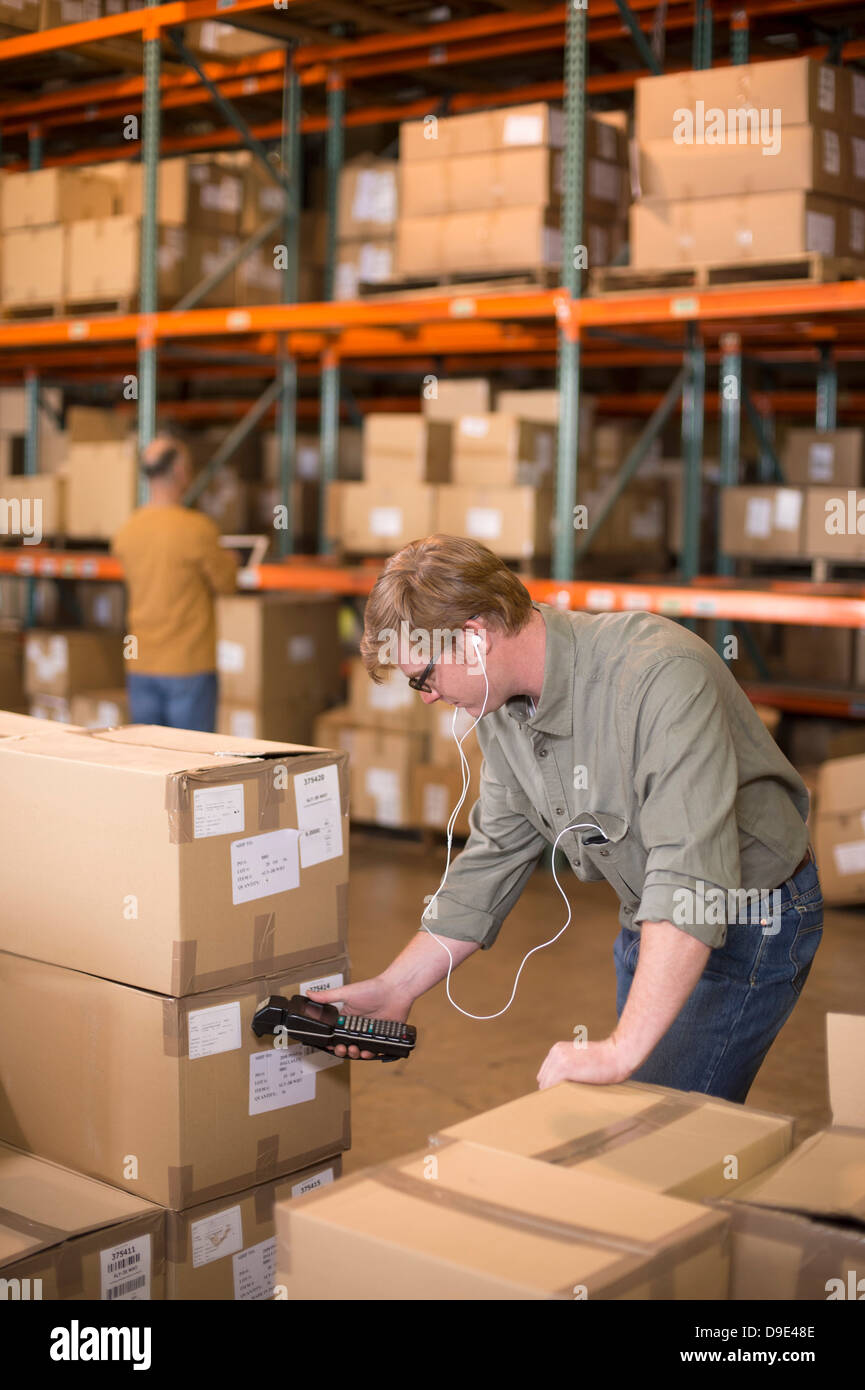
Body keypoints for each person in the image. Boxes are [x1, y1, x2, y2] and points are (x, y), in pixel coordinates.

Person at [314, 534, 823, 1102]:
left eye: (422, 677)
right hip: (648, 914)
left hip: (747, 913)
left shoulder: (657, 677)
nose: (426, 696)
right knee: (643, 1112)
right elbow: (493, 857)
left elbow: (690, 877)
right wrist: (394, 987)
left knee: (663, 1124)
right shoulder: (503, 706)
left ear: (475, 638)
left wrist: (620, 1050)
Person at [112, 432, 238, 732]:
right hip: (189, 668)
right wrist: (230, 560)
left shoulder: (127, 531)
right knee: (192, 765)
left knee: (149, 761)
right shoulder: (198, 529)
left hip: (141, 665)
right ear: (180, 471)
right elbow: (226, 583)